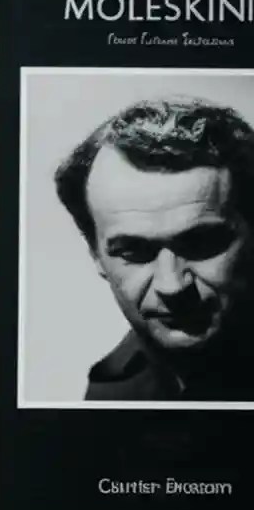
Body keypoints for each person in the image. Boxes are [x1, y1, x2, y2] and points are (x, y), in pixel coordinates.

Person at [54, 96, 254, 401]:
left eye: (200, 244)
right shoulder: (113, 388)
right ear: (95, 254)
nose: (171, 285)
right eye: (134, 251)